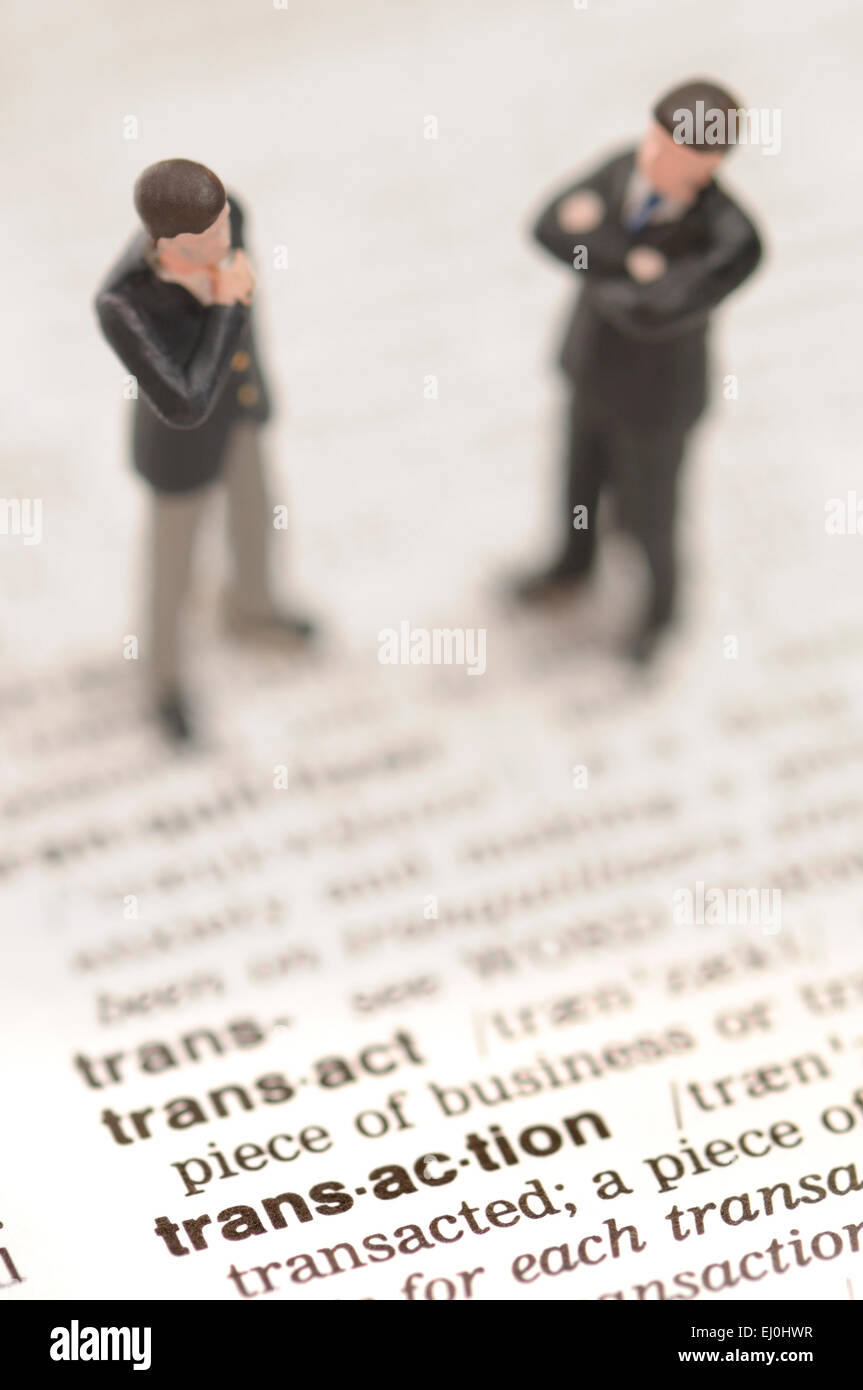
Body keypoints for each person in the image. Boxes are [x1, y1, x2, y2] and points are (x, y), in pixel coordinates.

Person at [516, 80, 763, 662]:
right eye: (656, 139)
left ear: (708, 165)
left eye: (676, 152)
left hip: (659, 400)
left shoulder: (731, 235)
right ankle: (571, 568)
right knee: (576, 484)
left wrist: (600, 249)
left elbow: (655, 311)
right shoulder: (621, 168)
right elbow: (549, 227)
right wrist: (633, 262)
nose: (654, 157)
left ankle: (660, 613)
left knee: (652, 515)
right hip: (590, 367)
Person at [95, 158, 314, 741]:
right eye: (209, 237)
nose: (226, 240)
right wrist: (221, 304)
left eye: (224, 225)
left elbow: (251, 319)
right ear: (165, 242)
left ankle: (252, 609)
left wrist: (259, 390)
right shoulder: (123, 305)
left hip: (239, 411)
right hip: (180, 448)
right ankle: (164, 680)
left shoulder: (230, 214)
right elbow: (185, 401)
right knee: (174, 566)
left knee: (257, 516)